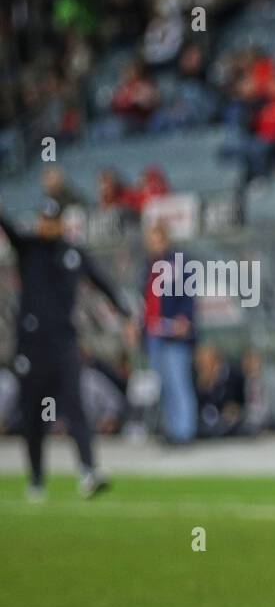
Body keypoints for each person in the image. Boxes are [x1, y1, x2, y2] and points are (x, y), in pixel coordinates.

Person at [0, 198, 133, 499]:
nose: (46, 224)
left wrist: (124, 312)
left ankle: (88, 470)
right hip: (31, 347)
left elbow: (100, 281)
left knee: (75, 407)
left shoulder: (72, 252)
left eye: (52, 219)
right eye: (42, 219)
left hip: (64, 343)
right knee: (34, 414)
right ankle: (36, 477)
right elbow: (6, 225)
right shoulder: (28, 247)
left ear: (61, 222)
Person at [142, 222, 198, 444]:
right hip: (155, 332)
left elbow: (188, 294)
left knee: (178, 382)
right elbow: (145, 300)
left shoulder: (178, 263)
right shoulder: (148, 267)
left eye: (157, 240)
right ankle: (173, 429)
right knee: (163, 384)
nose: (153, 245)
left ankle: (184, 431)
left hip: (174, 332)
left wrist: (185, 319)